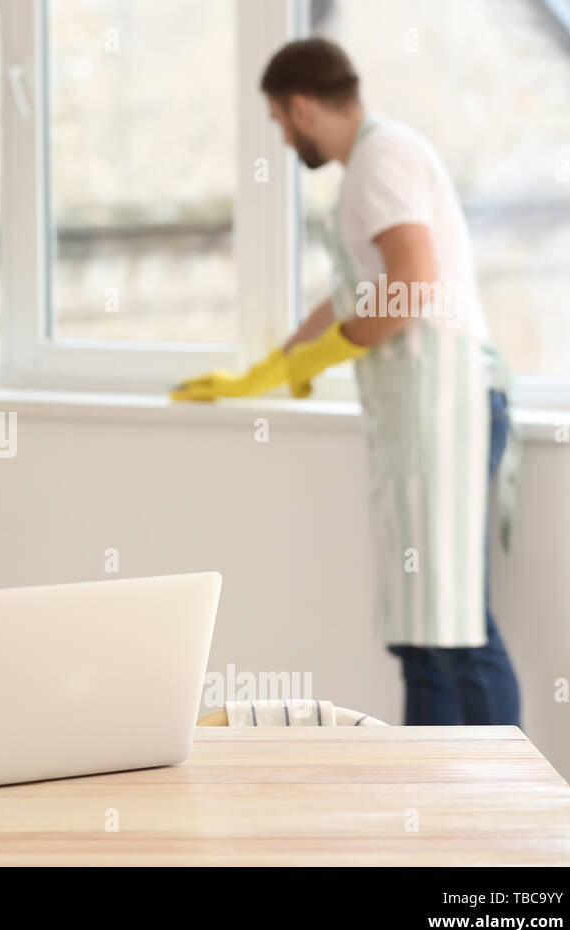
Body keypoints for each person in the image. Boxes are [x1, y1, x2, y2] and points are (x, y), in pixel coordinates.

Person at [172, 38, 522, 728]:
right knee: (420, 637)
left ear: (301, 106)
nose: (279, 133)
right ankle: (426, 801)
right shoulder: (372, 162)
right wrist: (272, 366)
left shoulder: (381, 159)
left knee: (456, 632)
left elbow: (412, 283)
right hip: (419, 413)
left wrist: (328, 351)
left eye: (276, 118)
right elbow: (360, 292)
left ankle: (496, 802)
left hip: (444, 406)